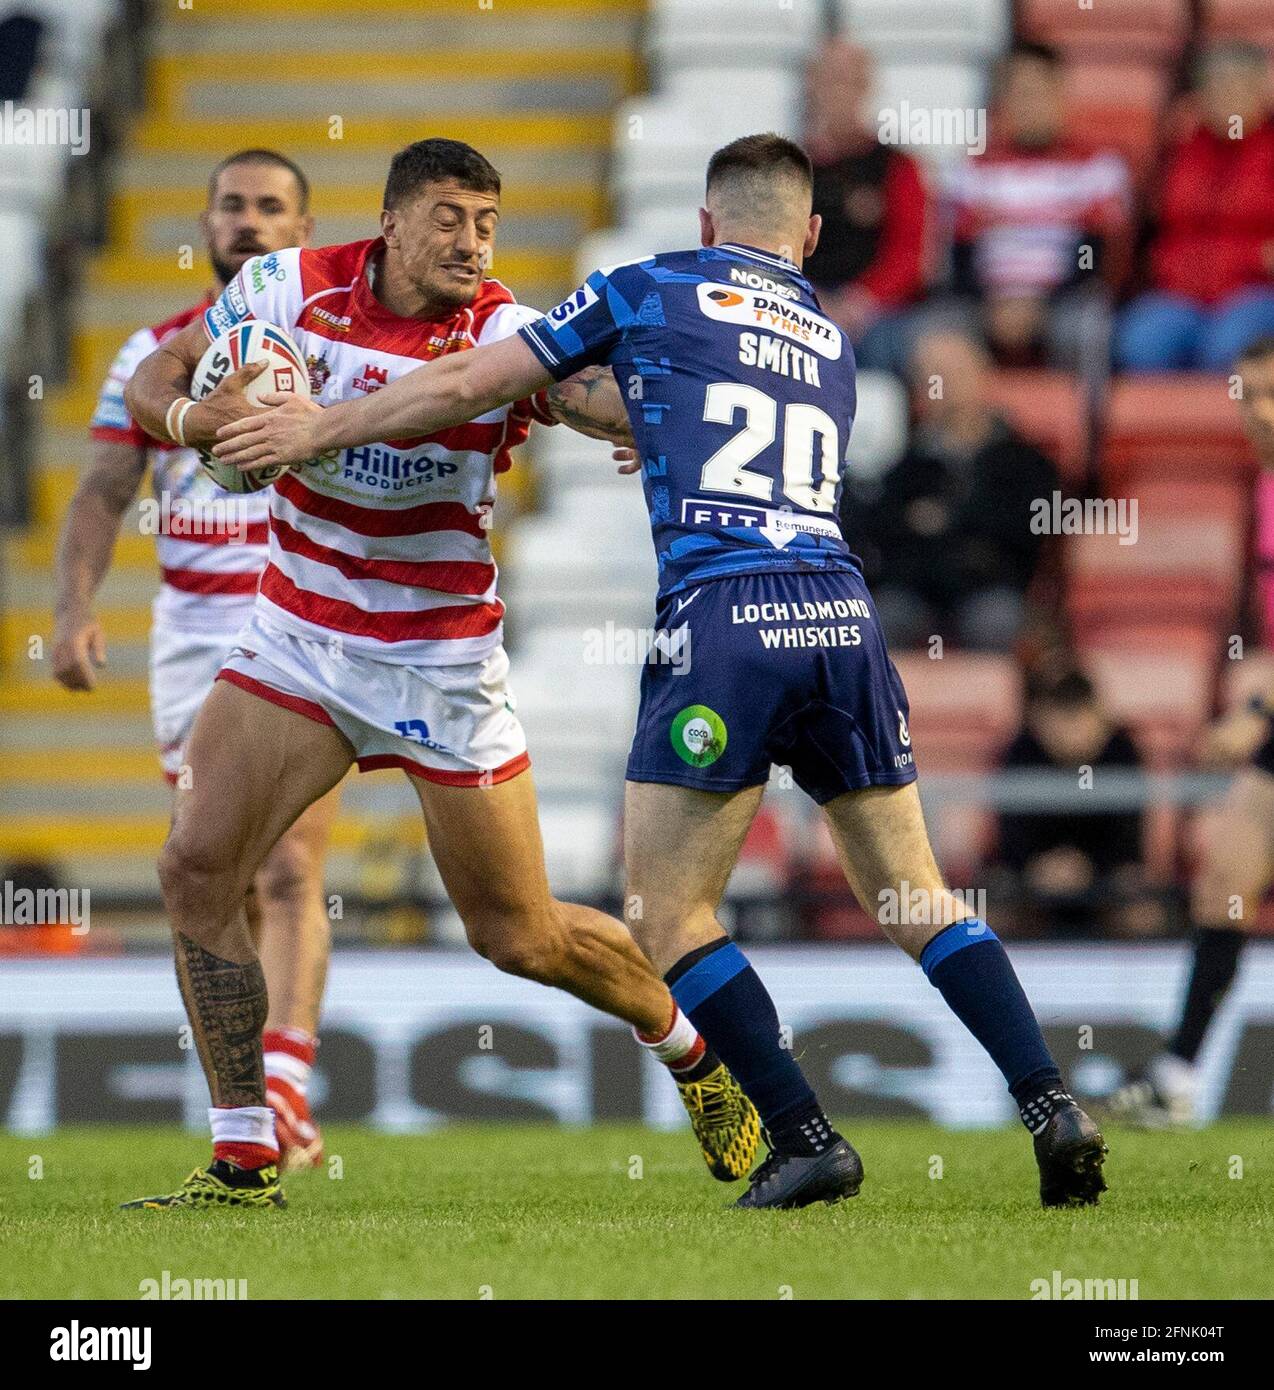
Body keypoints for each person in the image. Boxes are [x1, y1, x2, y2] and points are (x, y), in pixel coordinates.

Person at [216, 133, 1110, 1211]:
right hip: (840, 610)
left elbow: (469, 378)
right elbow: (681, 407)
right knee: (915, 892)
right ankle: (1049, 1103)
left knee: (666, 908)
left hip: (723, 618)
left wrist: (322, 425)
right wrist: (651, 417)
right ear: (810, 237)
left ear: (702, 223)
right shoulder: (828, 337)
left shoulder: (648, 286)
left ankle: (804, 1134)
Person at [117, 137, 758, 1210]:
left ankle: (691, 1048)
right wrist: (197, 422)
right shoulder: (284, 287)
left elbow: (587, 393)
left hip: (440, 657)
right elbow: (155, 376)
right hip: (301, 637)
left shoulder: (500, 329)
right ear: (392, 221)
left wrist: (653, 422)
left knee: (520, 935)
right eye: (452, 219)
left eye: (488, 223)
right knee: (194, 868)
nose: (473, 242)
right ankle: (242, 1154)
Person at [53, 150, 337, 1170]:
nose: (249, 223)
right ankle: (251, 1090)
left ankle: (288, 1088)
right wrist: (75, 605)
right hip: (188, 637)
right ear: (206, 221)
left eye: (271, 208)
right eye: (232, 206)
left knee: (295, 862)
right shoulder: (156, 349)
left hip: (300, 621)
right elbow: (99, 487)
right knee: (214, 867)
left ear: (302, 230)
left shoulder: (333, 346)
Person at [1109, 335, 1274, 1126]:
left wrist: (1259, 717)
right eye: (1245, 393)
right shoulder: (1267, 484)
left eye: (1270, 392)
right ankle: (1177, 1077)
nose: (1257, 411)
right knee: (1223, 884)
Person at [840, 330, 1058, 652]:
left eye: (956, 374)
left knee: (994, 621)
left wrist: (944, 521)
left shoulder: (1024, 459)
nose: (947, 387)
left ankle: (989, 702)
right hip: (915, 589)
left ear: (984, 375)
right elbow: (884, 532)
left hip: (991, 589)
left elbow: (1024, 531)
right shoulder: (907, 463)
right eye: (932, 377)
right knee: (872, 618)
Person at [943, 41, 1131, 369]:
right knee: (936, 334)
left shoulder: (1097, 166)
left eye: (1037, 92)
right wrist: (992, 303)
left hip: (1066, 299)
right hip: (984, 302)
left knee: (1087, 328)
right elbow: (959, 255)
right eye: (1018, 94)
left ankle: (1074, 420)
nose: (1028, 105)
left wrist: (1039, 304)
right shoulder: (971, 168)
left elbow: (1100, 258)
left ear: (1060, 95)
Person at [1115, 42, 1274, 372]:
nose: (1227, 95)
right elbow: (1145, 229)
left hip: (1254, 293)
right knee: (1138, 342)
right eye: (1216, 85)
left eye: (1239, 84)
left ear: (1262, 91)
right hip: (1180, 296)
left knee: (1225, 347)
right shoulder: (1174, 153)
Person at [802, 39, 930, 374]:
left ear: (867, 86)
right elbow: (769, 248)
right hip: (801, 306)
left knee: (923, 349)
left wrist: (860, 302)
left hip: (879, 313)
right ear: (812, 85)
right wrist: (812, 301)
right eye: (830, 79)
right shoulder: (786, 167)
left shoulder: (899, 167)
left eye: (850, 80)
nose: (840, 91)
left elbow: (910, 256)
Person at [995, 667, 1153, 938]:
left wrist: (1090, 868)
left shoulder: (1122, 751)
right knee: (983, 912)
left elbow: (1130, 839)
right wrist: (1036, 866)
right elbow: (1010, 836)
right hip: (1031, 876)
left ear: (1100, 717)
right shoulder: (1021, 751)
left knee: (1142, 913)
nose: (1071, 731)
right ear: (1041, 719)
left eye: (1078, 716)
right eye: (1062, 717)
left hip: (1107, 876)